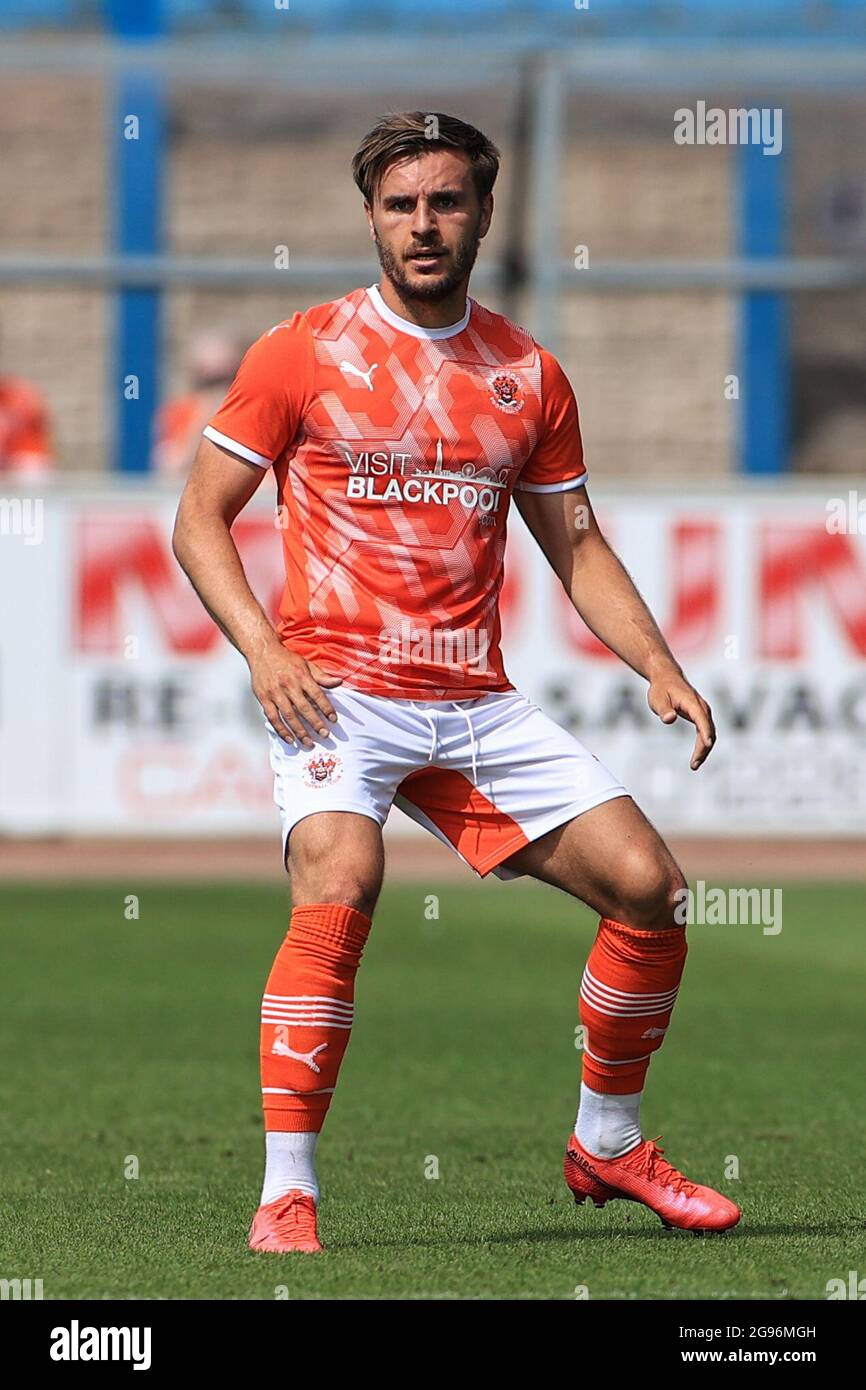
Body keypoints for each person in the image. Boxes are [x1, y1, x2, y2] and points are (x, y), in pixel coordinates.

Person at [172, 111, 740, 1254]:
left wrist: (658, 664)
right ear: (370, 218)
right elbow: (198, 523)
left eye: (444, 202)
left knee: (649, 888)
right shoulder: (301, 353)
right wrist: (266, 652)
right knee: (342, 873)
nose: (421, 226)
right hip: (336, 690)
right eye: (399, 205)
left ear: (483, 212)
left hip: (472, 699)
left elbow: (574, 544)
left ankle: (608, 1140)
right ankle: (288, 1192)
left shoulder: (527, 374)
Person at [152, 331, 240, 476]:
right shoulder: (178, 412)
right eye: (210, 382)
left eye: (226, 380)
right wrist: (205, 418)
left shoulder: (252, 411)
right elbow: (171, 468)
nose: (219, 391)